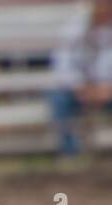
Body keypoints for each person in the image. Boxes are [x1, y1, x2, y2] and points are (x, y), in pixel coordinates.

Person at [49, 0, 112, 157]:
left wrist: (107, 87)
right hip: (79, 88)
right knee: (59, 99)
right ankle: (71, 153)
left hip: (107, 89)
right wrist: (79, 86)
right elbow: (62, 62)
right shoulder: (75, 26)